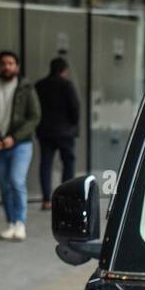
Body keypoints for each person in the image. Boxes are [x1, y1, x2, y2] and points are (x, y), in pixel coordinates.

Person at [0, 49, 41, 240]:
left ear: (17, 66)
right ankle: (11, 223)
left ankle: (20, 223)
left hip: (20, 144)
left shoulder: (26, 87)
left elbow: (34, 116)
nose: (7, 67)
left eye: (10, 63)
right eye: (3, 63)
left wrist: (14, 137)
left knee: (16, 181)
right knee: (5, 186)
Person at [35, 57, 80, 209]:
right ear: (64, 70)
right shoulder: (67, 85)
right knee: (68, 163)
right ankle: (65, 198)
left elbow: (35, 109)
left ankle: (46, 200)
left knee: (46, 164)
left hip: (45, 131)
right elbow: (75, 108)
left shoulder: (39, 85)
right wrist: (74, 125)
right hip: (65, 132)